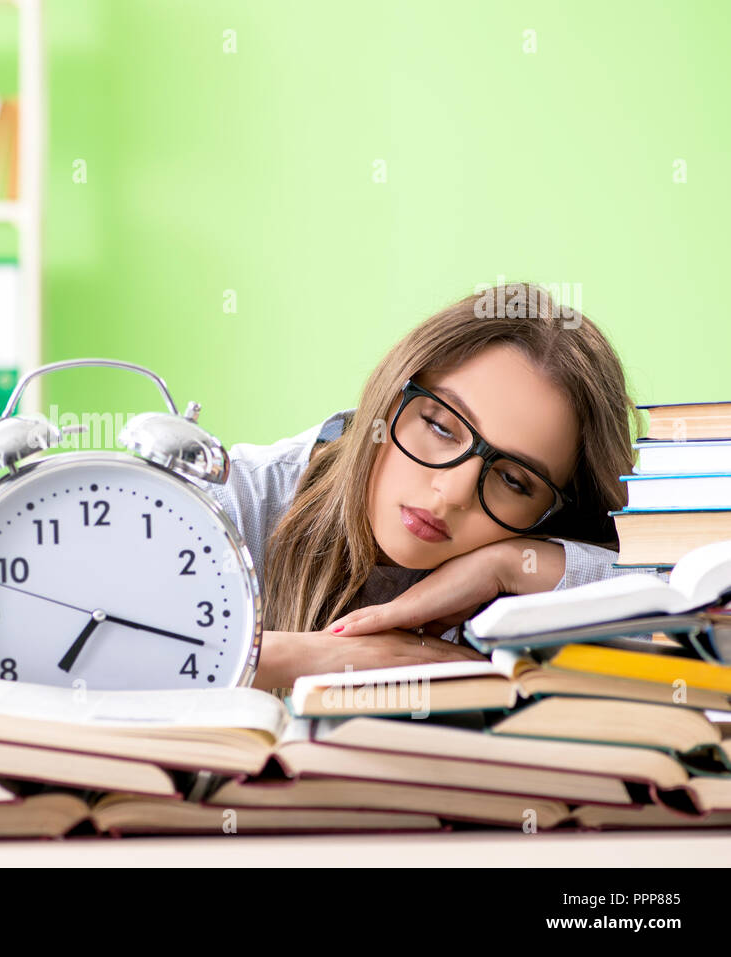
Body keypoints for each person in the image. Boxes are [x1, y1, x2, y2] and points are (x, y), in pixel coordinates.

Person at [192, 282, 668, 691]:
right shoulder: (228, 501)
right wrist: (300, 658)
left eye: (512, 480)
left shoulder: (528, 567)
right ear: (393, 391)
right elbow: (122, 649)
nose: (454, 492)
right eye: (441, 427)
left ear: (550, 512)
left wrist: (510, 568)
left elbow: (705, 608)